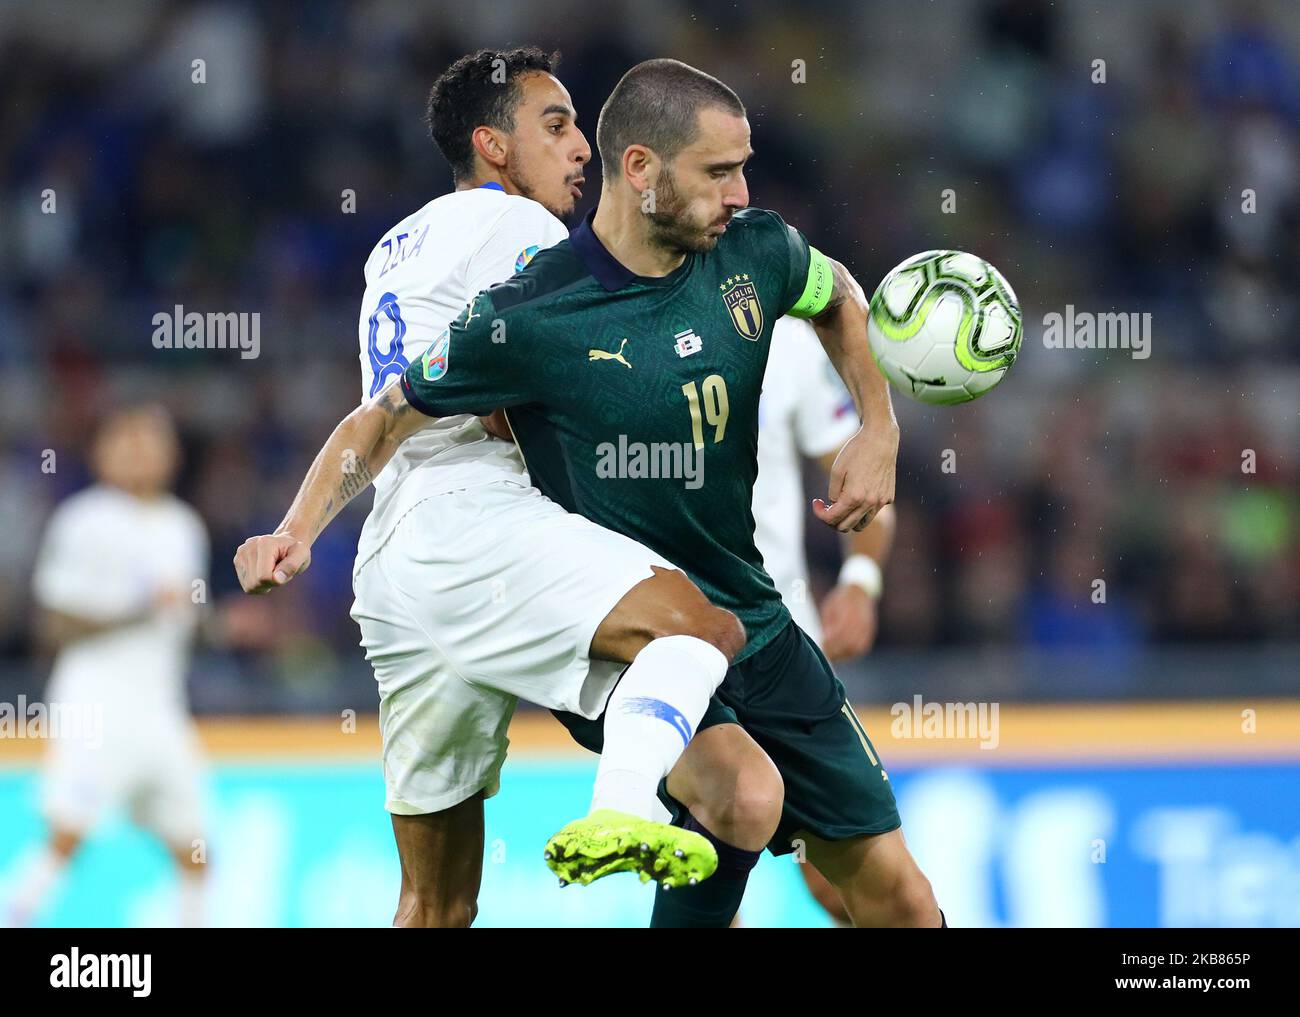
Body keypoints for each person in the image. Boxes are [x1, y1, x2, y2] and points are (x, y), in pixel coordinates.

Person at [397, 58, 944, 929]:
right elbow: (404, 407)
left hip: (761, 615)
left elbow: (839, 291)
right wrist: (311, 526)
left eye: (742, 168)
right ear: (643, 168)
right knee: (741, 800)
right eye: (719, 171)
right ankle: (625, 807)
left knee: (898, 899)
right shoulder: (537, 305)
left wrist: (881, 429)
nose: (740, 192)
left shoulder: (756, 261)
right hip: (637, 635)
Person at [235, 48, 774, 928]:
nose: (580, 151)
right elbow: (524, 400)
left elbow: (385, 411)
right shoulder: (523, 232)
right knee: (702, 623)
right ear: (493, 147)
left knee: (435, 902)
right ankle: (621, 811)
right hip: (477, 523)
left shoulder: (392, 246)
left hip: (394, 561)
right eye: (555, 126)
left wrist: (297, 531)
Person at [7, 405, 210, 928]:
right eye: (128, 440)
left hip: (161, 706)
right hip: (95, 701)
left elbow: (182, 624)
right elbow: (51, 626)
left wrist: (227, 625)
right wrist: (141, 608)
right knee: (67, 836)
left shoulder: (185, 527)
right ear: (102, 452)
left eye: (152, 440)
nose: (141, 452)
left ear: (173, 454)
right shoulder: (84, 519)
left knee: (196, 850)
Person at [755, 315, 897, 923]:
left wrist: (861, 583)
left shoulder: (782, 338)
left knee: (844, 880)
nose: (733, 211)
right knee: (702, 873)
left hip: (783, 644)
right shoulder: (611, 315)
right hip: (663, 648)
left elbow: (865, 481)